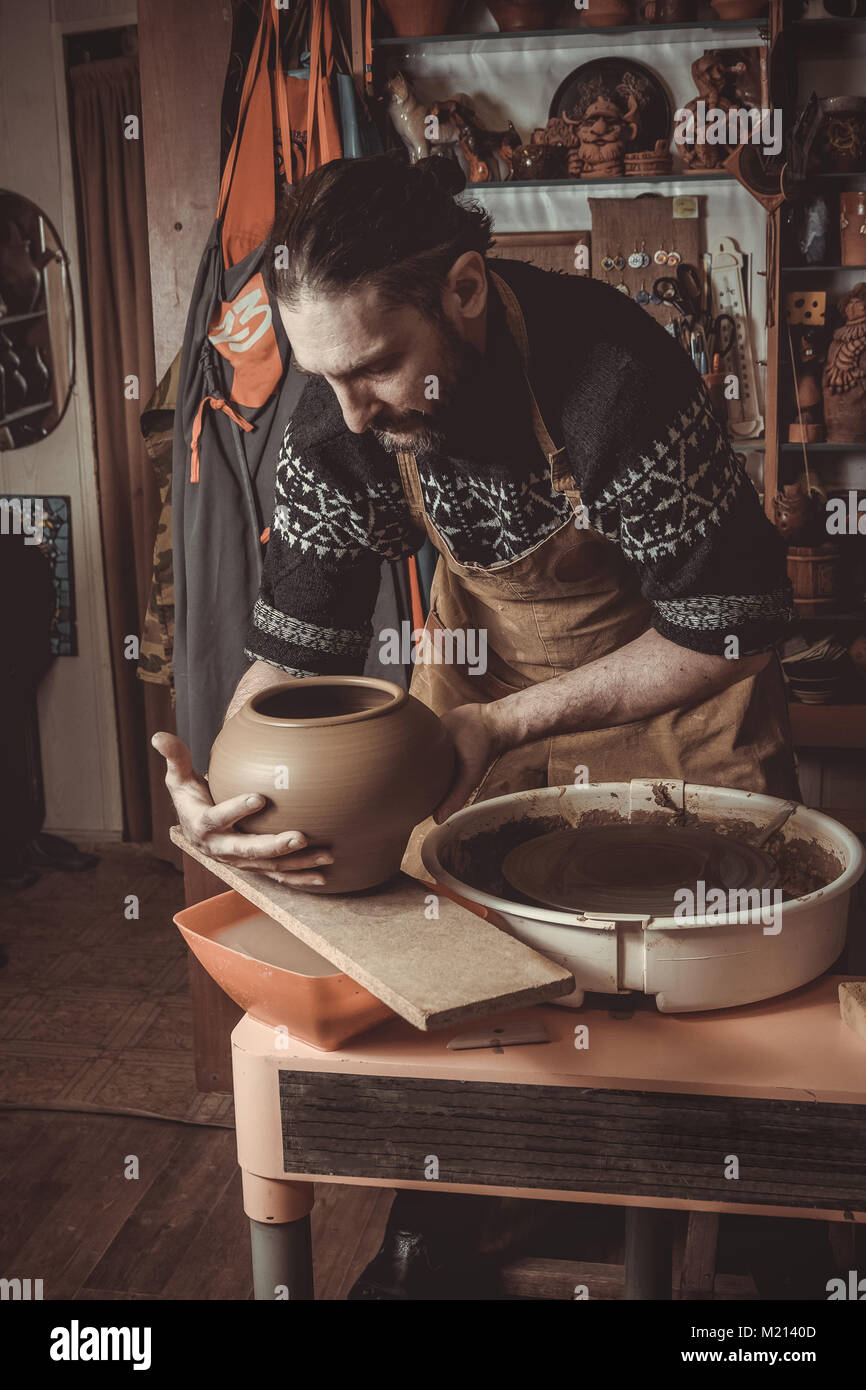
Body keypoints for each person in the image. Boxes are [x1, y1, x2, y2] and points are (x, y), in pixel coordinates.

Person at [155, 153, 798, 1297]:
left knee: (708, 987)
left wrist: (506, 725)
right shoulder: (338, 411)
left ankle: (754, 1234)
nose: (347, 409)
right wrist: (218, 783)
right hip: (484, 680)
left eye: (373, 370)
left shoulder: (611, 374)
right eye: (325, 377)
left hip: (677, 693)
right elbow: (293, 661)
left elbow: (731, 625)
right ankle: (447, 1208)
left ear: (460, 289)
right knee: (459, 954)